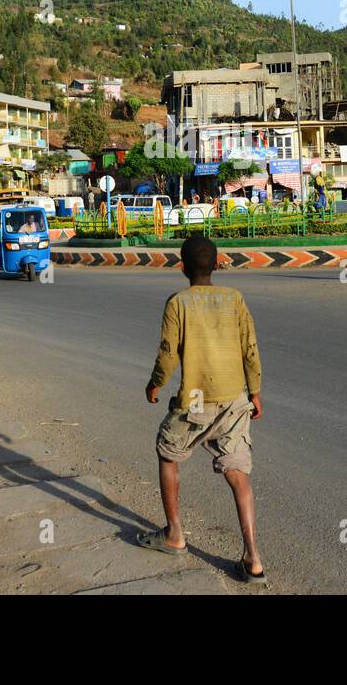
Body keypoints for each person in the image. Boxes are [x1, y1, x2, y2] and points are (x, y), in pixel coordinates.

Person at [138, 235, 266, 584]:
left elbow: (167, 352)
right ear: (218, 263)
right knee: (237, 471)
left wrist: (155, 384)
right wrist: (254, 391)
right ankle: (253, 558)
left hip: (195, 400)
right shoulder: (234, 299)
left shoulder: (178, 302)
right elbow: (250, 348)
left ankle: (175, 534)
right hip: (234, 398)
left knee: (168, 453)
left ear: (182, 267)